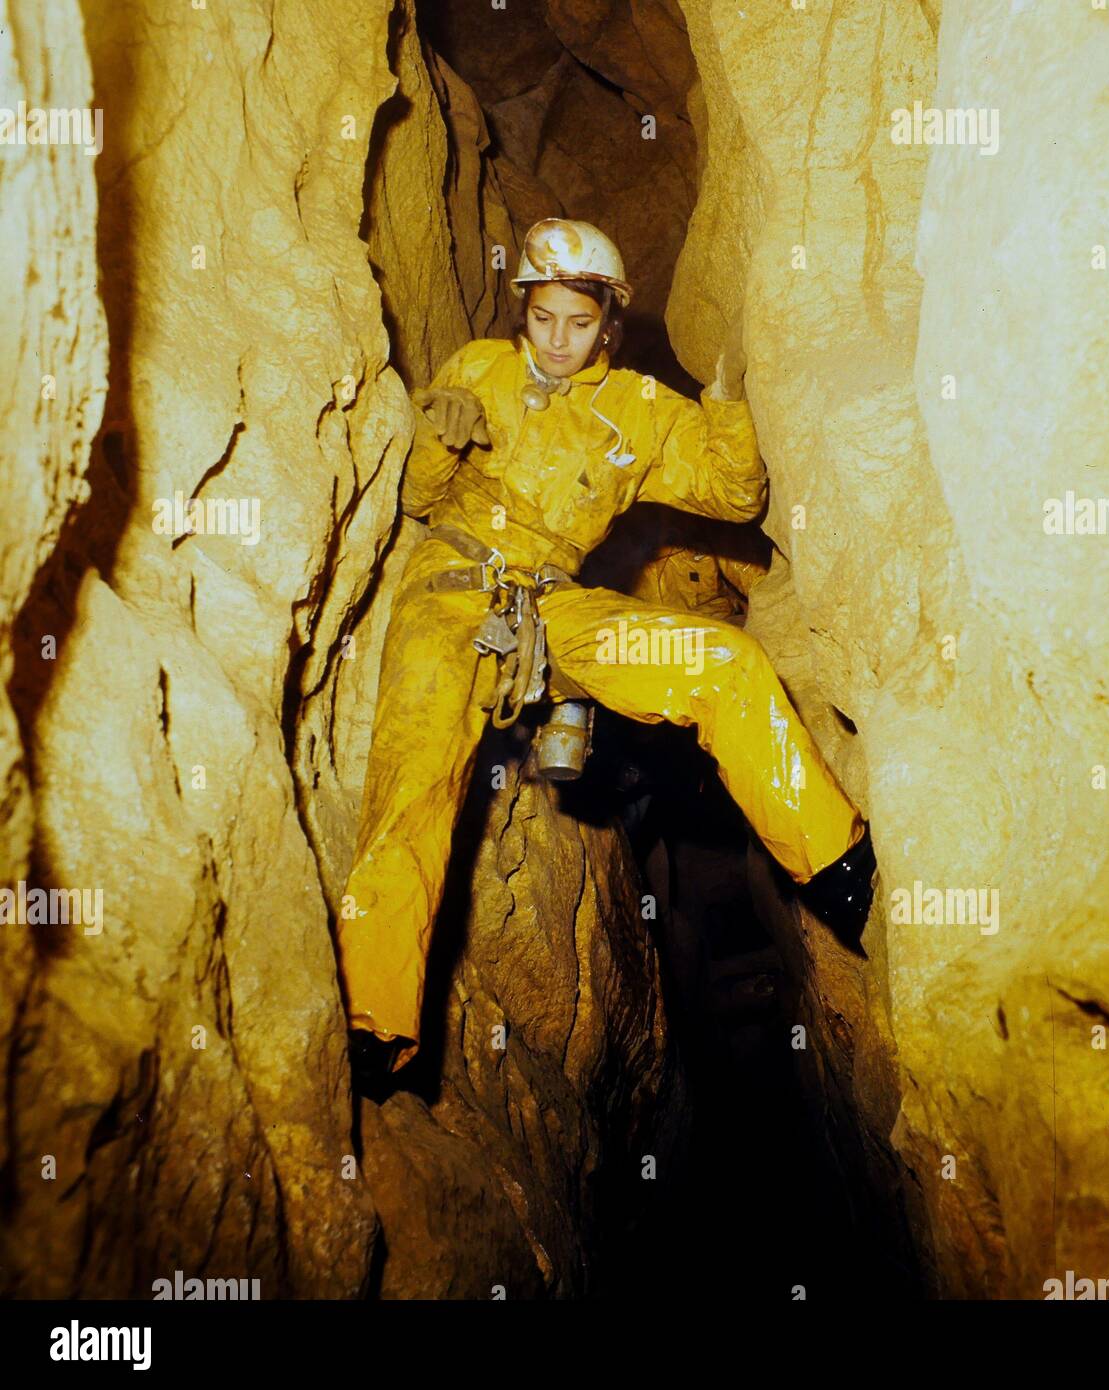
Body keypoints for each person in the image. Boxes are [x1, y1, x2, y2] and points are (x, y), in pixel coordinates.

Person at [339, 217, 877, 1093]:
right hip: (452, 589)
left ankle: (834, 863)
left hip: (556, 602)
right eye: (543, 318)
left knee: (725, 663)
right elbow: (419, 497)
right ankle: (378, 1024)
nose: (557, 340)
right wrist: (438, 438)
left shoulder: (639, 410)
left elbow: (735, 498)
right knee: (414, 784)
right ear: (523, 310)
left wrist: (729, 402)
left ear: (607, 323)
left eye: (577, 323)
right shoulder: (480, 367)